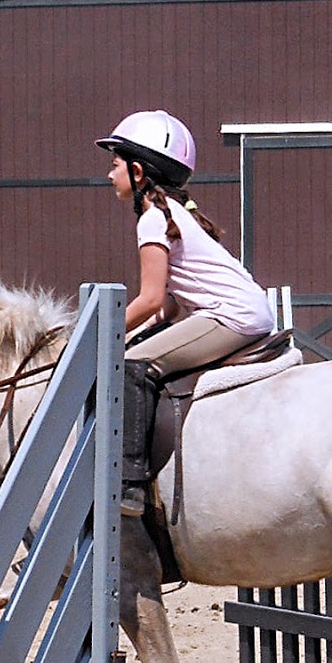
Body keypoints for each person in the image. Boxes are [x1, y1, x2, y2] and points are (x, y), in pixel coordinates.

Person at [97, 110, 274, 515]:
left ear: (138, 172)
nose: (110, 175)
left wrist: (95, 336)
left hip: (232, 316)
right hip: (244, 312)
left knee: (130, 364)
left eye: (114, 164)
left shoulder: (152, 219)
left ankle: (130, 484)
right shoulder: (174, 214)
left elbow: (150, 299)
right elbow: (172, 304)